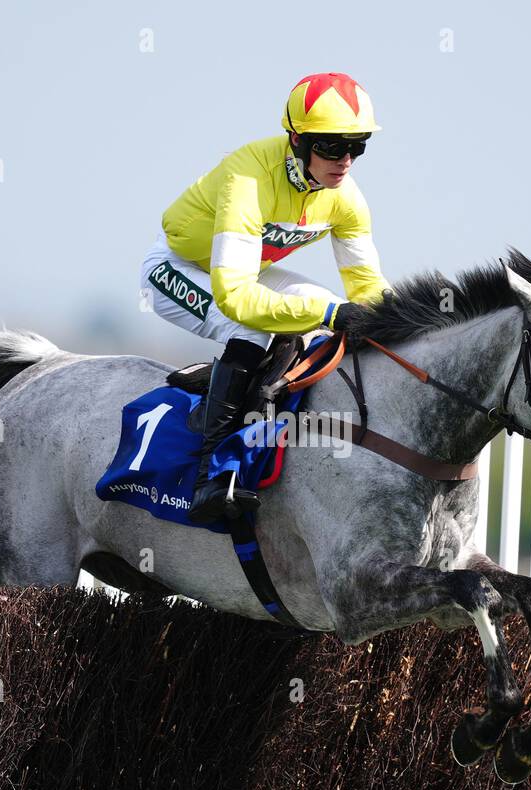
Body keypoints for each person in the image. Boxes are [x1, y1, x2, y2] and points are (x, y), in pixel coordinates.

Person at [139, 72, 392, 523]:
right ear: (296, 140)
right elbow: (236, 297)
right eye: (333, 146)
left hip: (245, 271)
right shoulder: (248, 176)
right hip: (176, 269)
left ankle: (229, 383)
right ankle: (209, 479)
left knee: (320, 308)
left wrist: (408, 325)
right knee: (256, 323)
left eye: (358, 146)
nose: (347, 160)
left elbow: (368, 294)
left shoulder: (347, 200)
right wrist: (331, 312)